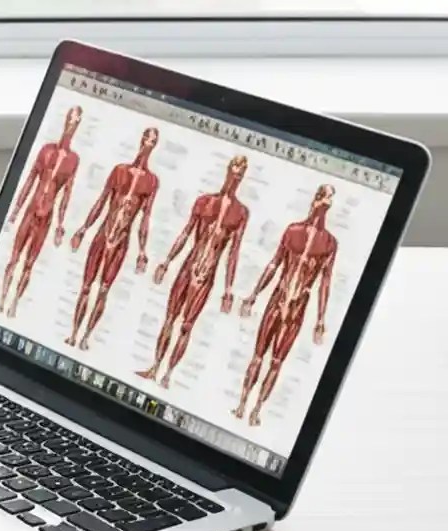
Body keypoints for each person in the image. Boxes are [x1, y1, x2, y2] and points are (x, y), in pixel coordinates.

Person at [136, 155, 251, 388]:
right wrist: (167, 261)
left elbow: (233, 252)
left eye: (242, 171)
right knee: (169, 318)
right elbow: (186, 233)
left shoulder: (240, 213)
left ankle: (167, 374)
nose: (237, 174)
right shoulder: (204, 201)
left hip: (208, 274)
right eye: (235, 169)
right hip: (189, 265)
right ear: (228, 170)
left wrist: (228, 289)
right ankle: (155, 367)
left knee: (187, 326)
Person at [231, 184, 338, 426]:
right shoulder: (293, 230)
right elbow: (274, 264)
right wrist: (254, 295)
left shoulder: (329, 242)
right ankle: (242, 403)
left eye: (329, 199)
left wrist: (320, 320)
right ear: (315, 199)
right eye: (323, 197)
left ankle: (256, 409)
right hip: (278, 297)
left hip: (299, 303)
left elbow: (325, 282)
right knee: (258, 355)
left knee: (276, 362)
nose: (325, 203)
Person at [64, 127, 161, 350]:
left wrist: (143, 251)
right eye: (146, 138)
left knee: (104, 290)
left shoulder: (151, 182)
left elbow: (145, 217)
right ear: (141, 139)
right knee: (86, 286)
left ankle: (86, 336)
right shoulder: (120, 170)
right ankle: (73, 334)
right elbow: (102, 200)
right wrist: (83, 229)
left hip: (121, 241)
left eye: (153, 141)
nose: (148, 143)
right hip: (103, 233)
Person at [0, 106, 83, 317]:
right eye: (70, 118)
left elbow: (66, 195)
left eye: (76, 121)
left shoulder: (73, 160)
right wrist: (15, 210)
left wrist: (60, 224)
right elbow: (30, 180)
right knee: (14, 258)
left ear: (78, 125)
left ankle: (14, 303)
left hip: (46, 216)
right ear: (65, 120)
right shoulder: (46, 150)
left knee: (29, 265)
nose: (71, 124)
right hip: (30, 210)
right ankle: (1, 299)